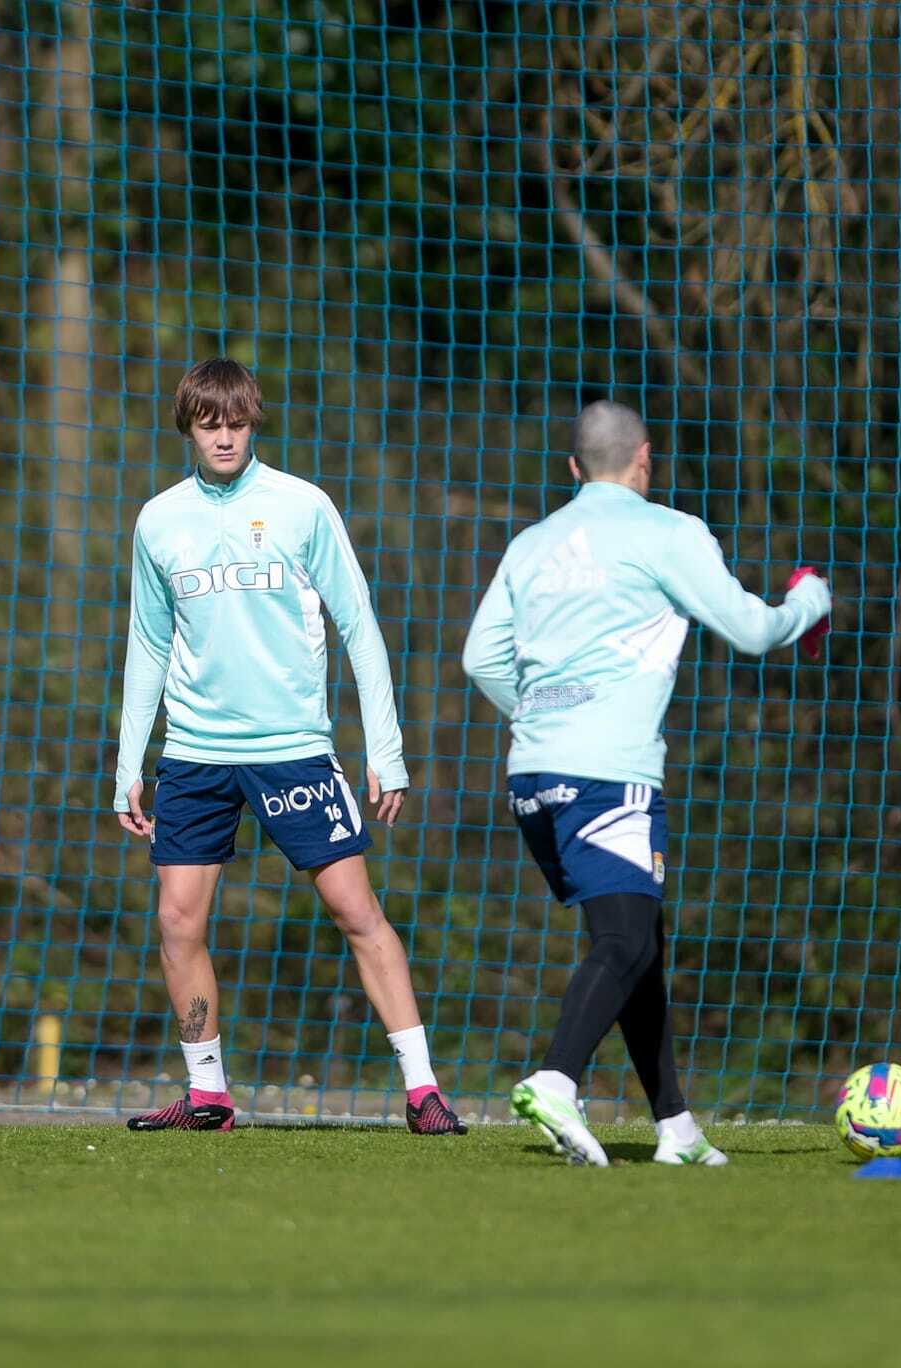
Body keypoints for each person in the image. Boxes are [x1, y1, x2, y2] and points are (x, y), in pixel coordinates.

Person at [461, 400, 832, 1168]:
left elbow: (479, 660)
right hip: (608, 774)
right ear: (646, 460)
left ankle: (677, 1129)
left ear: (572, 469)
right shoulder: (670, 532)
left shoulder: (530, 545)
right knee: (627, 940)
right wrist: (809, 603)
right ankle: (556, 1081)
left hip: (532, 774)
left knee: (638, 944)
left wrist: (544, 714)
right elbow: (755, 631)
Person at [111, 357, 463, 1135]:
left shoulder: (303, 507)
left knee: (354, 909)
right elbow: (147, 642)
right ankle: (208, 1095)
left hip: (294, 749)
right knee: (177, 922)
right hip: (195, 754)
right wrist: (130, 761)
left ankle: (423, 1089)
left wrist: (386, 748)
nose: (225, 435)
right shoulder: (158, 520)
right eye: (210, 423)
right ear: (189, 427)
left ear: (253, 421)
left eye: (236, 421)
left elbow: (359, 624)